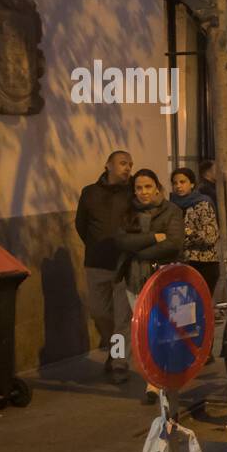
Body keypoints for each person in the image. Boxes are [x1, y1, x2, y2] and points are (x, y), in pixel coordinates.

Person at [114, 169, 184, 404]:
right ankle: (150, 376)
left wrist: (137, 250)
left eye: (147, 187)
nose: (143, 192)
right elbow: (122, 241)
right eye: (138, 188)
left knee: (159, 329)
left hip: (161, 279)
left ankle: (156, 381)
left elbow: (174, 244)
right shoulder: (128, 212)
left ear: (157, 187)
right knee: (143, 330)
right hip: (132, 279)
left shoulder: (171, 210)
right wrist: (154, 237)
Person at [75, 150, 134, 383]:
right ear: (108, 165)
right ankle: (114, 348)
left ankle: (120, 362)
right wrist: (95, 245)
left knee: (122, 317)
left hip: (123, 264)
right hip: (96, 262)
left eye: (130, 164)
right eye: (122, 163)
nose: (128, 168)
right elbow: (81, 224)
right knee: (99, 312)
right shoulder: (89, 193)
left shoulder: (132, 194)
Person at [170, 166, 220, 295]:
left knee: (201, 309)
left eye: (182, 182)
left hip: (203, 263)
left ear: (192, 184)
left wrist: (186, 232)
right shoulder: (171, 206)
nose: (178, 186)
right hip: (180, 263)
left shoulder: (203, 203)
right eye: (175, 183)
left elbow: (210, 236)